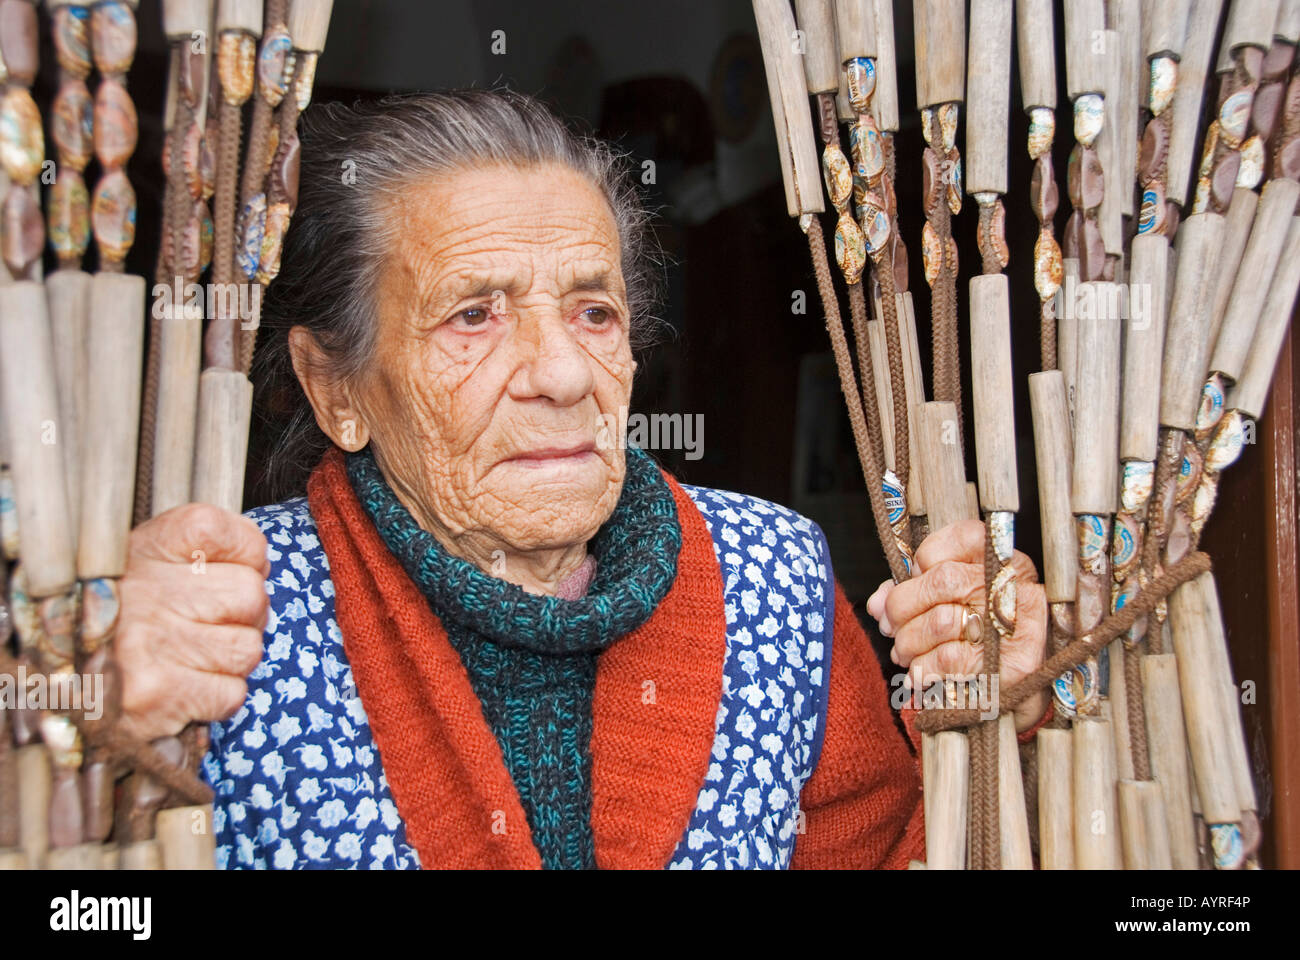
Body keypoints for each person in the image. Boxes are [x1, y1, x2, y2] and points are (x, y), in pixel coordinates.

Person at [116, 89, 1049, 869]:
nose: (562, 375)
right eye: (473, 315)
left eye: (594, 312)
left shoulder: (774, 582)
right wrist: (94, 726)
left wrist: (995, 723)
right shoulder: (220, 622)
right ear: (335, 388)